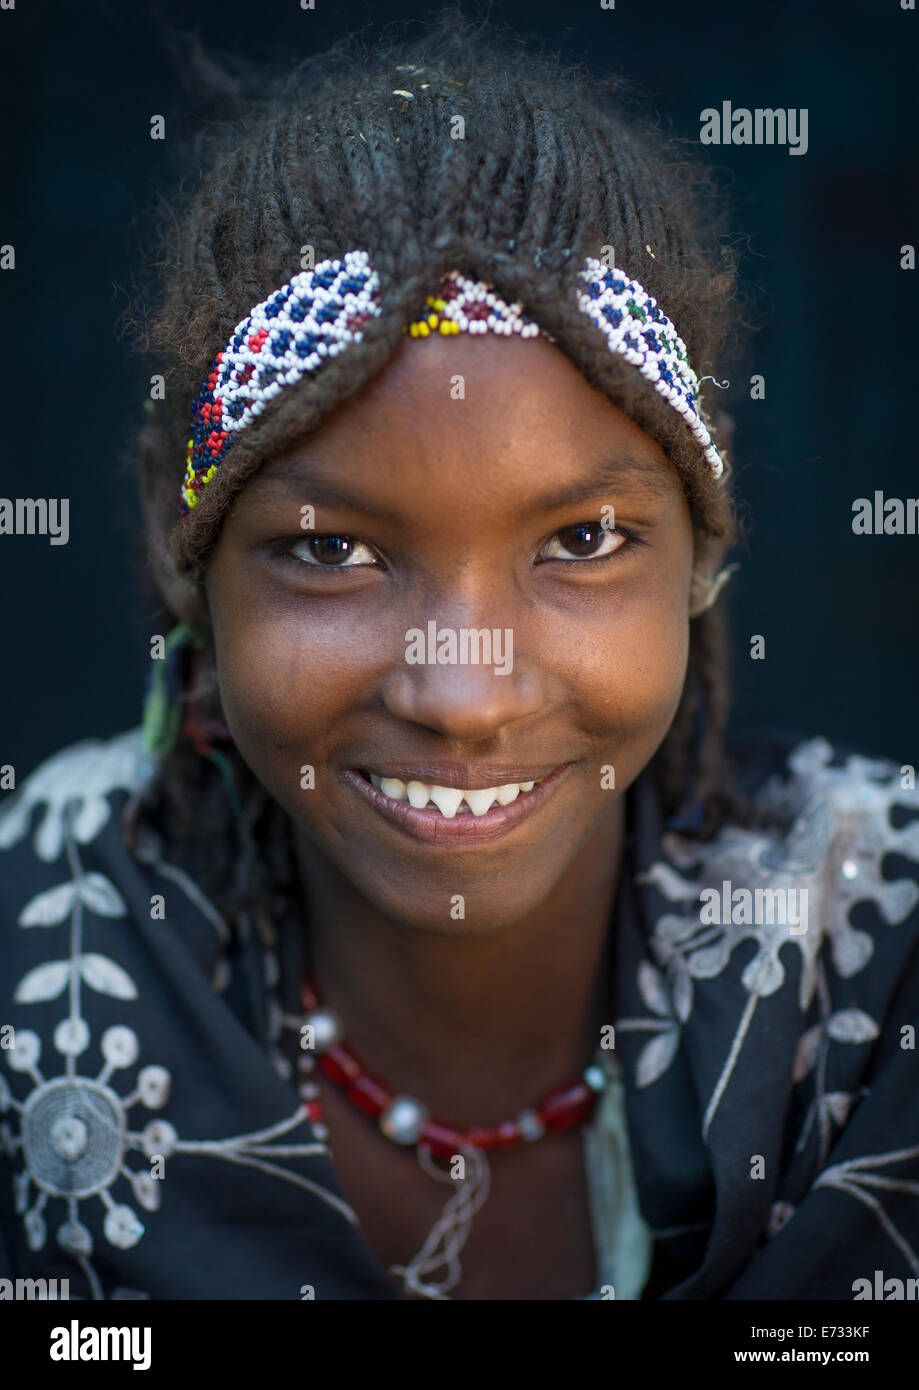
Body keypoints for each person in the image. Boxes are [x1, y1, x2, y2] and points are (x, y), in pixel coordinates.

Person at [1, 9, 917, 1303]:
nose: (464, 694)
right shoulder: (37, 949)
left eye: (583, 539)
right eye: (331, 550)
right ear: (186, 558)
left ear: (701, 552)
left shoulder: (883, 955)